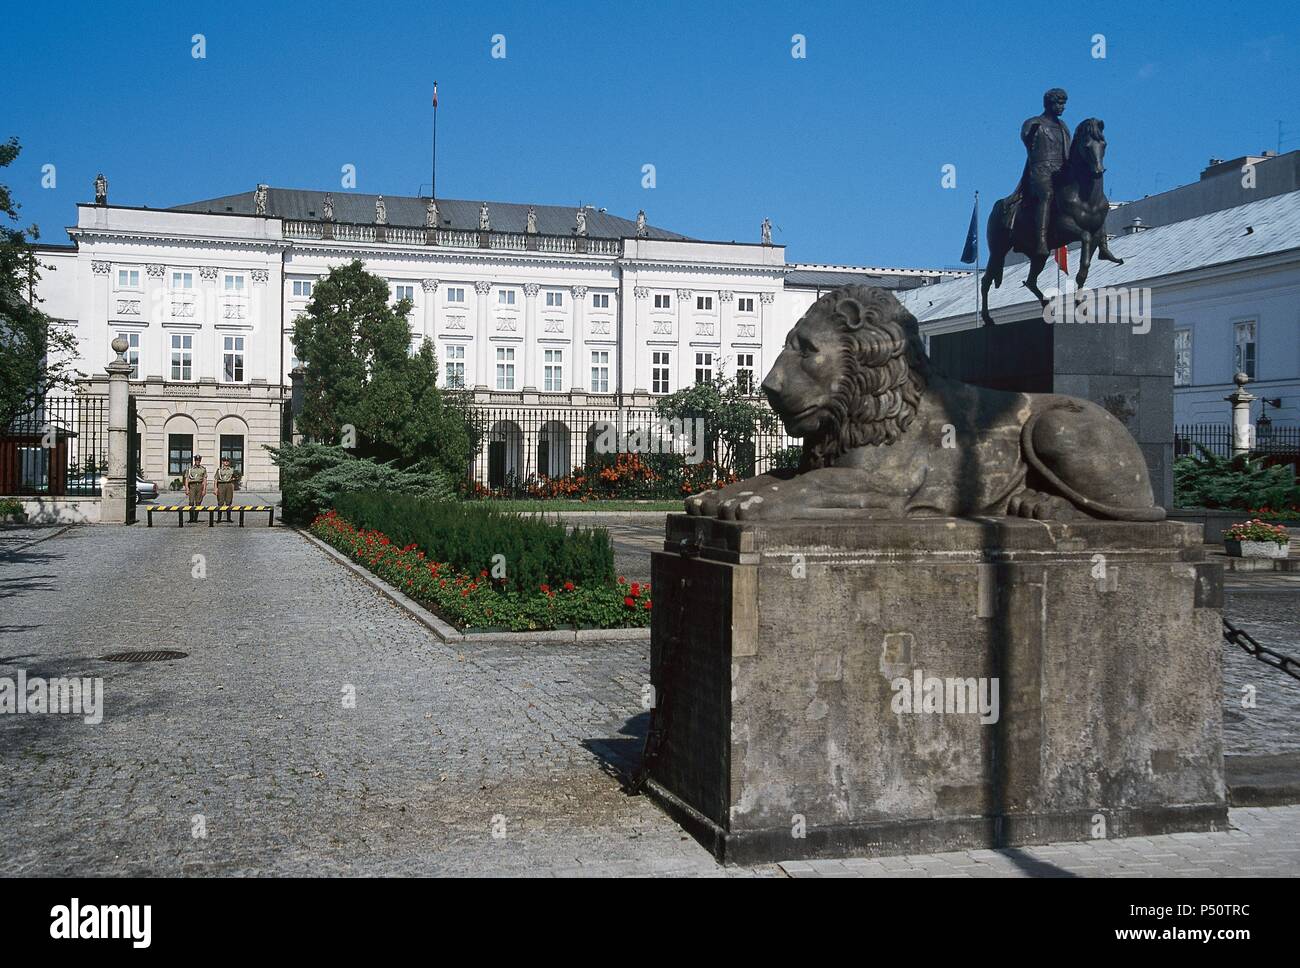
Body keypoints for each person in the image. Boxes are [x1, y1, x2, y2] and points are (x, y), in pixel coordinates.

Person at [1018, 88, 1072, 256]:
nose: (1062, 107)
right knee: (1047, 195)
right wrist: (1032, 132)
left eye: (1064, 104)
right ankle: (1041, 241)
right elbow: (1026, 141)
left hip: (1061, 171)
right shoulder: (1033, 122)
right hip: (1040, 170)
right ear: (1049, 104)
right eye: (1059, 103)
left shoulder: (1063, 127)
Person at [184, 455, 208, 522]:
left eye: (199, 460)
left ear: (200, 461)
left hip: (200, 486)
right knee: (191, 502)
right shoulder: (190, 469)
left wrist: (204, 489)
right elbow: (186, 478)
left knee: (198, 502)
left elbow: (205, 479)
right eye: (196, 460)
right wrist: (187, 488)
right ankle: (191, 518)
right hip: (192, 486)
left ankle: (195, 518)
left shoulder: (203, 469)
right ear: (195, 460)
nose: (198, 461)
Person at [214, 458, 237, 522]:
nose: (226, 462)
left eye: (227, 461)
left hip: (229, 485)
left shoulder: (231, 470)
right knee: (220, 502)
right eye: (224, 461)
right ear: (222, 462)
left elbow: (234, 478)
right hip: (221, 485)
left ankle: (228, 518)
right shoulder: (219, 470)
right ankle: (219, 518)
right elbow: (216, 479)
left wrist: (232, 486)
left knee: (229, 502)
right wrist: (215, 488)